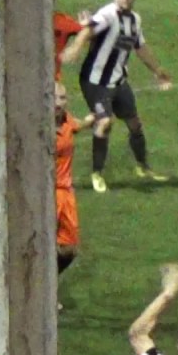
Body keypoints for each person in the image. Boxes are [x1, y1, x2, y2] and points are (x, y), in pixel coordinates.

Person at [60, 0, 174, 193]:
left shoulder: (135, 20)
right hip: (95, 82)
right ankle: (97, 174)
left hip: (119, 81)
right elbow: (88, 30)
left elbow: (140, 48)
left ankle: (143, 167)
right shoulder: (108, 14)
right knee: (105, 123)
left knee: (135, 125)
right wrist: (75, 48)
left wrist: (157, 71)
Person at [54, 81, 97, 282]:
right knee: (38, 245)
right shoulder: (36, 128)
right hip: (46, 193)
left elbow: (78, 125)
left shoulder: (66, 121)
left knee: (69, 249)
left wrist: (97, 116)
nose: (58, 103)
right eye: (53, 98)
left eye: (62, 98)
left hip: (66, 194)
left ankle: (45, 286)